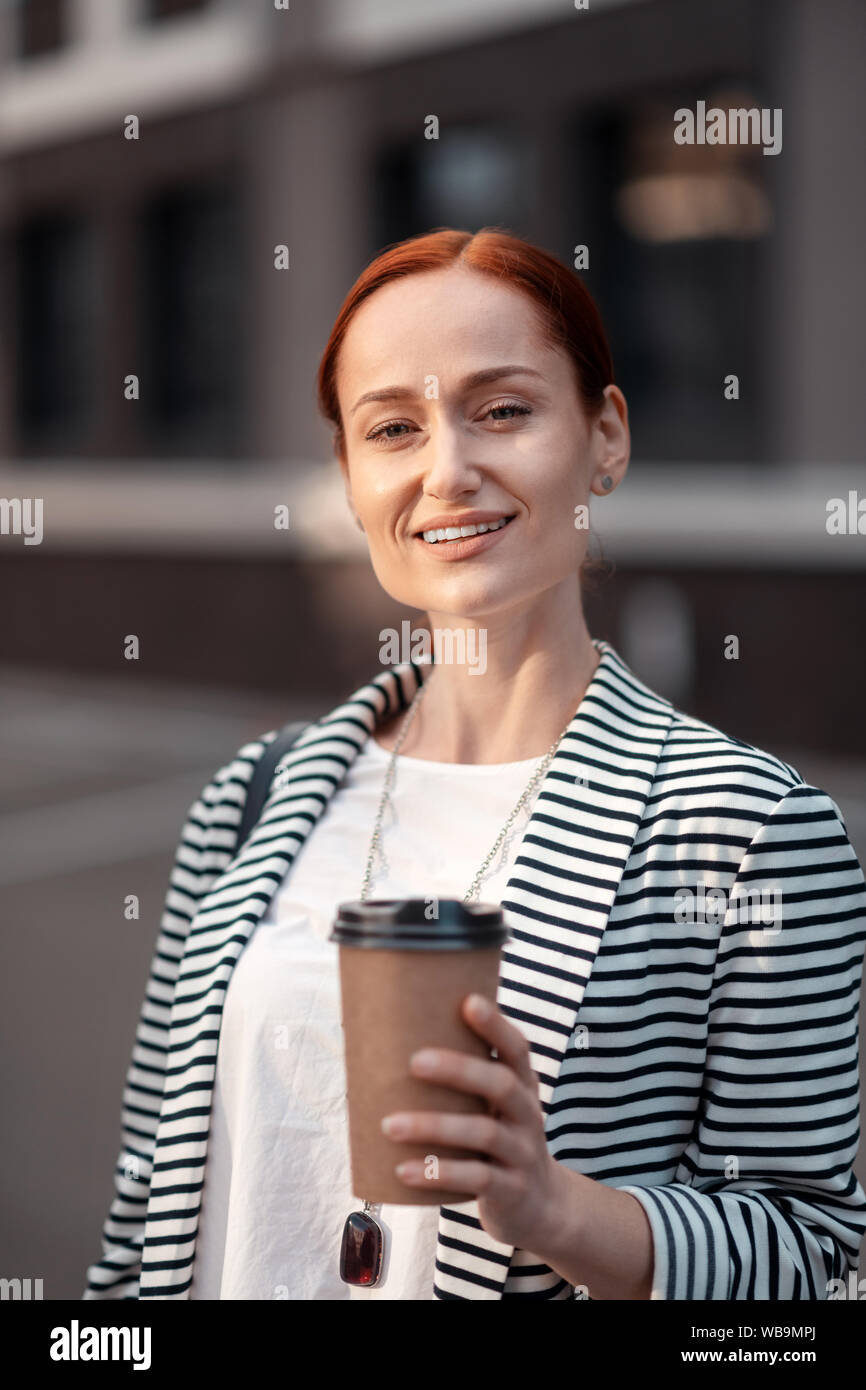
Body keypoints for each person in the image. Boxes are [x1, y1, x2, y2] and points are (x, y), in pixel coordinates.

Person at [83, 227, 866, 1301]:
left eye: (502, 410)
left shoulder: (745, 831)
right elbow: (140, 1222)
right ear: (350, 478)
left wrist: (557, 1211)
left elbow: (808, 1261)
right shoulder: (252, 798)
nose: (446, 471)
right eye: (392, 428)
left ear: (604, 436)